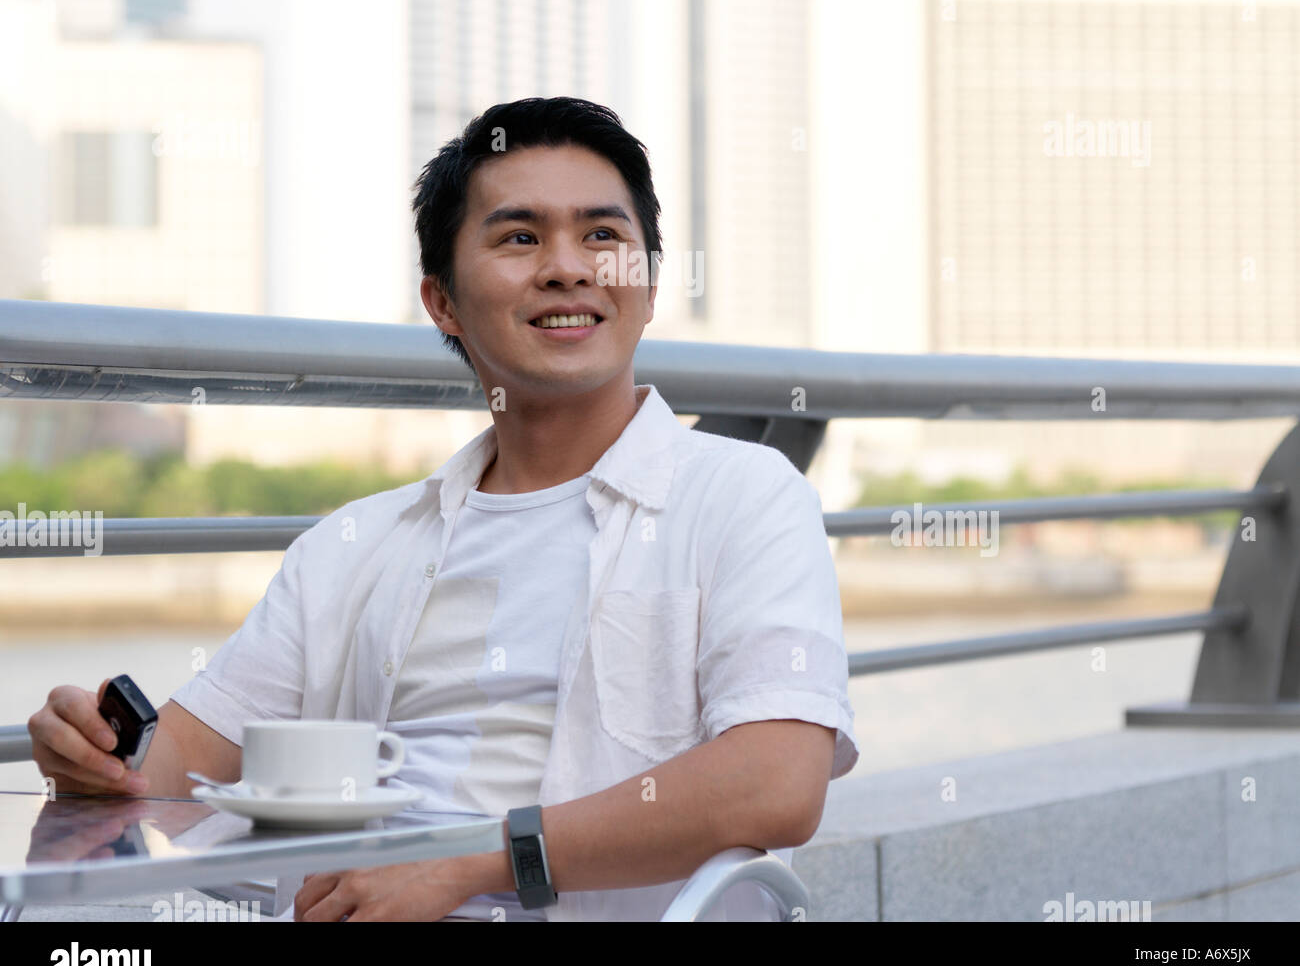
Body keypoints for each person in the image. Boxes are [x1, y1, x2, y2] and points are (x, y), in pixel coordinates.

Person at [29, 95, 859, 921]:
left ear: (645, 288)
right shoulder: (356, 546)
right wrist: (96, 753)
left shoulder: (745, 497)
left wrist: (471, 862)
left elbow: (775, 782)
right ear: (443, 303)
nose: (568, 267)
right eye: (520, 237)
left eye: (603, 235)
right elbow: (179, 761)